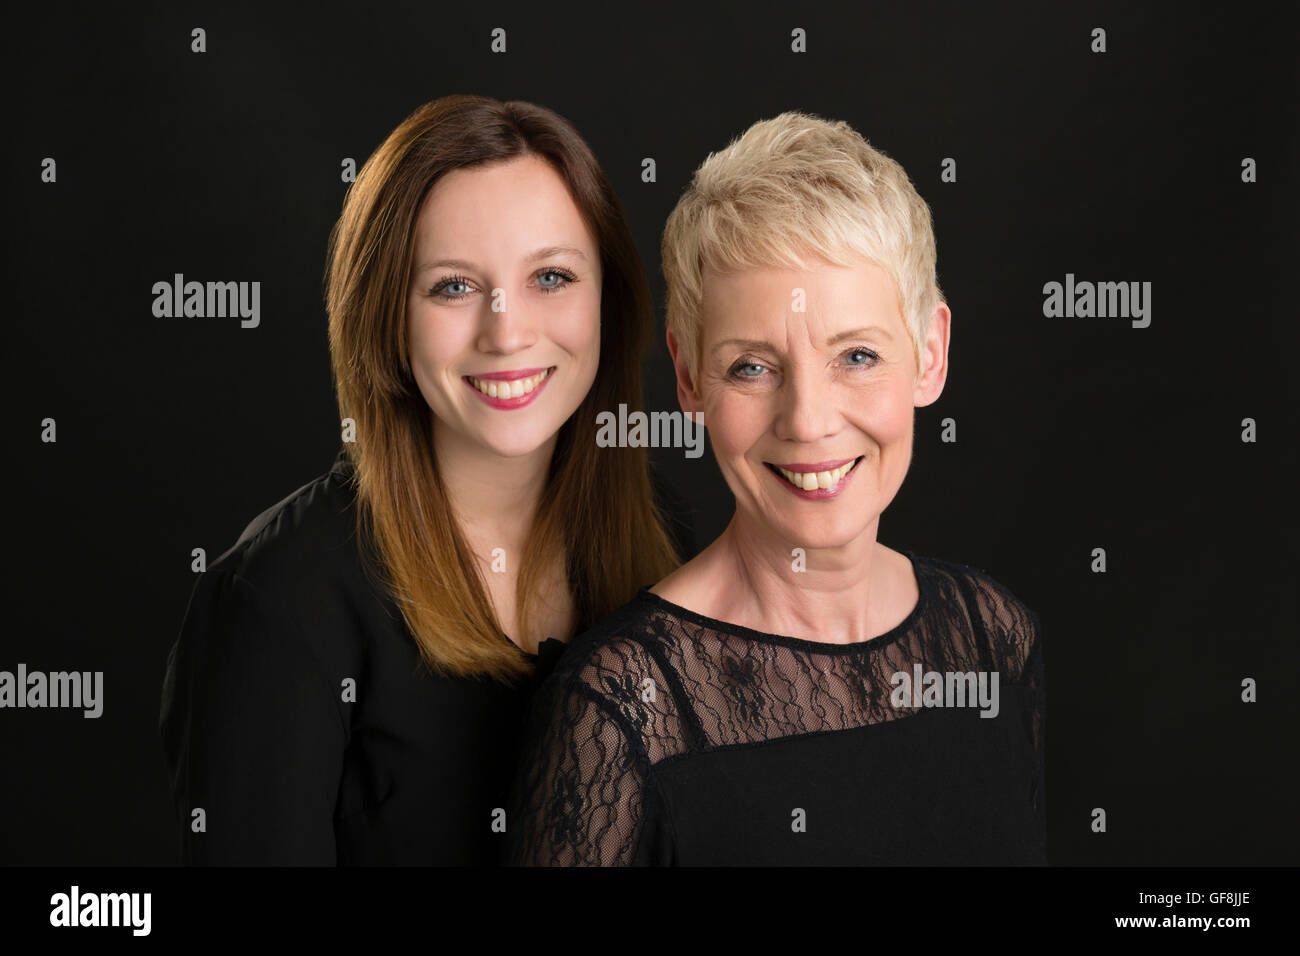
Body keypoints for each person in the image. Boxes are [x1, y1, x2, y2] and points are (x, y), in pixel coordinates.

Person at [158, 95, 694, 865]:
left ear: (608, 296)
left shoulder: (664, 539)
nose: (507, 332)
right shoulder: (278, 602)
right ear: (388, 314)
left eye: (551, 275)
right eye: (452, 286)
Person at [505, 110, 1046, 866]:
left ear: (930, 355)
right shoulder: (618, 708)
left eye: (856, 356)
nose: (809, 421)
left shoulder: (994, 638)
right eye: (752, 368)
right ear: (691, 380)